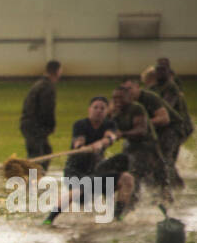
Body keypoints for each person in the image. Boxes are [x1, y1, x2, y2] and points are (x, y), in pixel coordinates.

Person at [43, 95, 134, 224]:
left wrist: (102, 142)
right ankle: (49, 219)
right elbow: (78, 143)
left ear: (106, 111)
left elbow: (111, 136)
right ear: (89, 110)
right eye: (95, 107)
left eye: (102, 108)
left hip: (95, 170)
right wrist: (85, 147)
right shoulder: (80, 125)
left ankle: (117, 217)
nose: (98, 110)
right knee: (78, 189)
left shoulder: (110, 124)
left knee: (127, 178)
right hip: (75, 170)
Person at [109, 83, 165, 197]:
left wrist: (122, 134)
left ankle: (132, 203)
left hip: (147, 148)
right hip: (130, 147)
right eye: (114, 98)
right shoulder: (115, 111)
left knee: (146, 178)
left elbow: (141, 131)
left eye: (120, 98)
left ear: (128, 97)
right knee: (126, 172)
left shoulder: (136, 108)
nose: (117, 101)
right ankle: (128, 200)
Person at [152, 59, 193, 182]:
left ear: (169, 72)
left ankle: (174, 182)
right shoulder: (154, 88)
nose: (159, 73)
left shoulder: (171, 86)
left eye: (162, 70)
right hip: (166, 127)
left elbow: (166, 107)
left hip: (178, 127)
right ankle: (166, 180)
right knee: (163, 155)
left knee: (166, 156)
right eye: (157, 70)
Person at [20, 60, 62, 169]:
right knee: (37, 157)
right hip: (35, 126)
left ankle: (37, 179)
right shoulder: (47, 87)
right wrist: (50, 126)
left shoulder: (39, 84)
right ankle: (32, 181)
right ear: (57, 71)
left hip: (29, 124)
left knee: (45, 152)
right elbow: (47, 109)